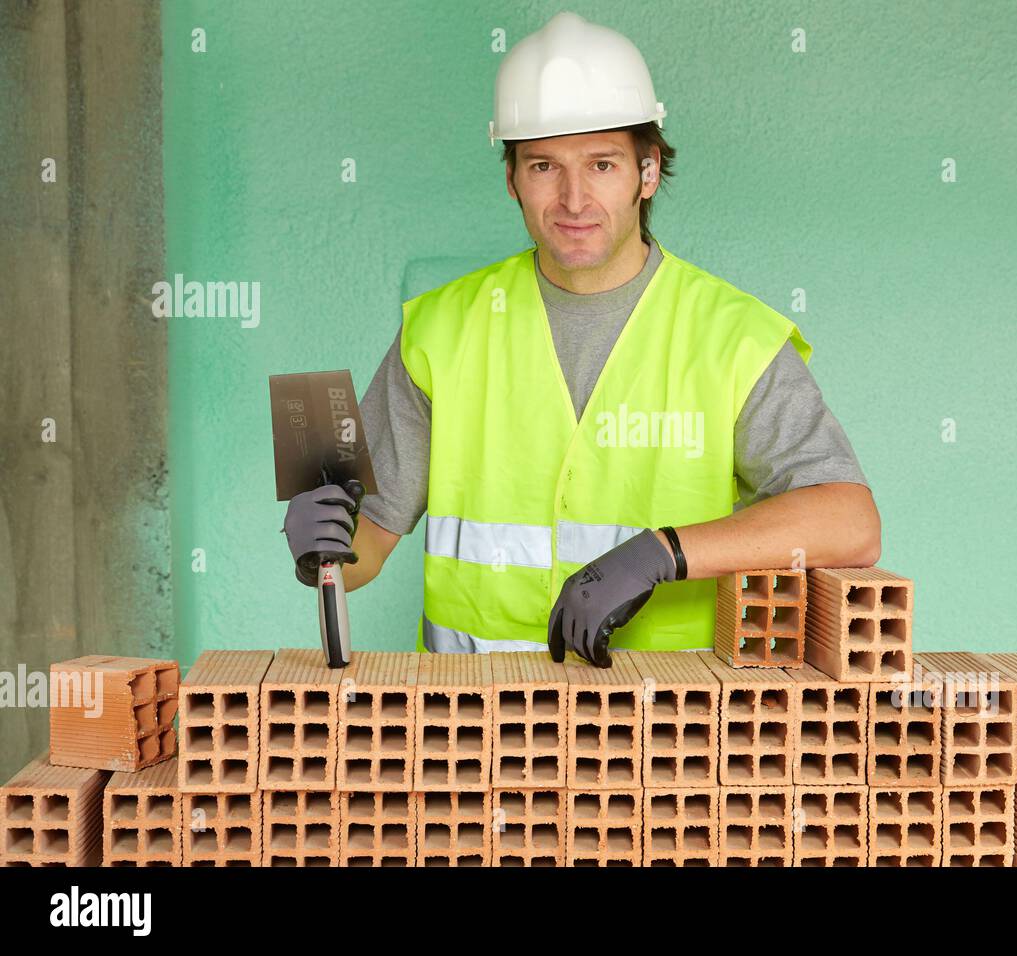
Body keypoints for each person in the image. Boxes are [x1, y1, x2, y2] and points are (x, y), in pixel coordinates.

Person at [283, 12, 880, 667]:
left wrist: (664, 553)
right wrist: (324, 549)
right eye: (544, 166)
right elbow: (369, 544)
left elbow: (850, 523)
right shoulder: (440, 331)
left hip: (668, 734)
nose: (573, 198)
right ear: (512, 180)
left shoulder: (734, 337)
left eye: (601, 163)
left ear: (647, 173)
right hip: (475, 732)